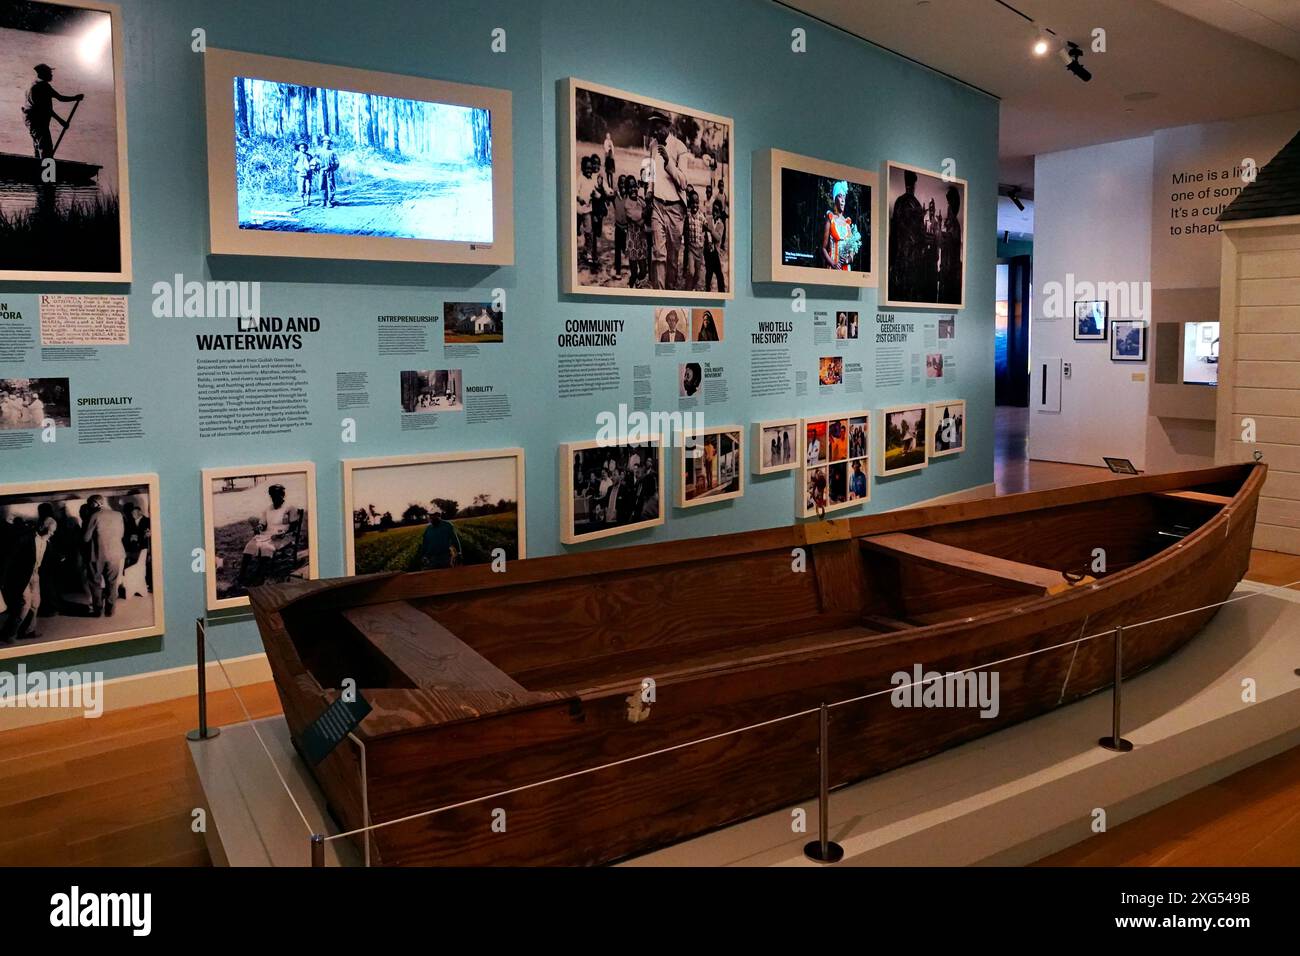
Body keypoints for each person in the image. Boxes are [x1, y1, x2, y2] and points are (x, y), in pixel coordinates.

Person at [646, 111, 689, 290]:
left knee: (672, 257)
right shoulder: (652, 146)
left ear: (668, 126)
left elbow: (684, 183)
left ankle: (670, 291)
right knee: (658, 254)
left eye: (659, 129)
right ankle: (659, 293)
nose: (656, 133)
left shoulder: (680, 148)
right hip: (657, 205)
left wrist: (668, 162)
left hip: (675, 209)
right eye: (654, 130)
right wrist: (649, 191)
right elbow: (650, 171)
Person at [1, 517, 56, 645]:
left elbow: (50, 557)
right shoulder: (25, 538)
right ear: (42, 527)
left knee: (35, 603)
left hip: (35, 575)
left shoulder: (47, 541)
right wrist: (2, 579)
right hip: (21, 576)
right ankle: (8, 633)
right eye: (51, 531)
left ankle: (28, 631)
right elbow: (8, 559)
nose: (52, 534)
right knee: (25, 604)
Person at [22, 64, 83, 163]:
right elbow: (46, 110)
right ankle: (47, 174)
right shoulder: (41, 87)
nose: (51, 75)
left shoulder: (39, 85)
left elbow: (59, 98)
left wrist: (75, 98)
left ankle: (38, 168)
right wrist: (61, 121)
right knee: (46, 148)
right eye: (49, 73)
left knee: (39, 145)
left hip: (31, 120)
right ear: (43, 74)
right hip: (36, 121)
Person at [238, 484, 296, 587]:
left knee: (266, 548)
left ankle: (260, 577)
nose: (275, 498)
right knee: (250, 545)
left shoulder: (290, 508)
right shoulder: (268, 509)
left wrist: (284, 533)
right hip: (268, 535)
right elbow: (263, 524)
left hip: (283, 536)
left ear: (283, 495)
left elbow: (293, 527)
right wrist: (259, 527)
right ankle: (241, 575)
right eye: (272, 496)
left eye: (277, 495)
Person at [82, 494, 125, 618]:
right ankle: (110, 610)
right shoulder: (118, 515)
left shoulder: (94, 515)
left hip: (97, 555)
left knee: (95, 582)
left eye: (90, 504)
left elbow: (85, 538)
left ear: (95, 503)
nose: (89, 507)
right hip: (116, 554)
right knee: (112, 582)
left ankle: (98, 610)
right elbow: (121, 534)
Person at [889, 169, 926, 302]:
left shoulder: (900, 202)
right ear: (914, 184)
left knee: (900, 293)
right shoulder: (916, 206)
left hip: (902, 258)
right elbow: (921, 236)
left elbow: (893, 232)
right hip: (910, 260)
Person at [821, 180, 856, 271]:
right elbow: (823, 248)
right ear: (835, 198)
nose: (843, 200)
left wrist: (848, 260)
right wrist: (833, 263)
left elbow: (852, 252)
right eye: (840, 196)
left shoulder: (847, 223)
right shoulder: (830, 219)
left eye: (844, 196)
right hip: (833, 269)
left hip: (846, 270)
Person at [317, 134, 340, 207]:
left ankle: (329, 201)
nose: (327, 144)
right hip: (321, 170)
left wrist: (332, 168)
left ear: (330, 144)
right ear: (322, 143)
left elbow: (337, 162)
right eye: (325, 142)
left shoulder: (332, 152)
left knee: (331, 185)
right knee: (321, 185)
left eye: (328, 143)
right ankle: (323, 200)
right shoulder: (318, 152)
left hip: (330, 171)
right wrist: (317, 168)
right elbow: (314, 161)